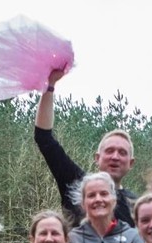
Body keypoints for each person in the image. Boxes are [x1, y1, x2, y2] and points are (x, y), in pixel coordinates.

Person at [35, 67, 137, 226]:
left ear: (131, 163)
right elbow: (44, 138)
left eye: (122, 152)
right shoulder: (77, 182)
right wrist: (50, 85)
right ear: (97, 158)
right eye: (109, 151)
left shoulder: (136, 205)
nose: (115, 156)